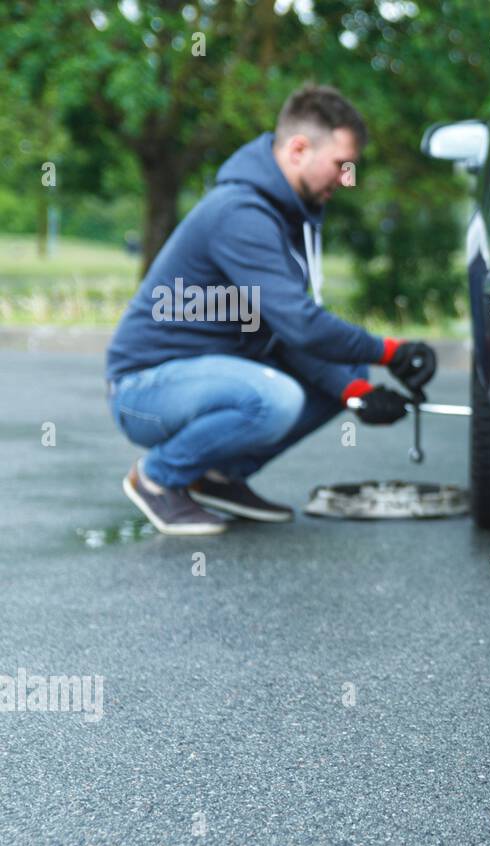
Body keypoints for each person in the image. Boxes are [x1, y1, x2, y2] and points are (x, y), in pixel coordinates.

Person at [105, 84, 435, 535]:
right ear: (299, 149)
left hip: (209, 379)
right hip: (143, 391)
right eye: (342, 165)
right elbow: (301, 324)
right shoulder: (240, 213)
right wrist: (393, 350)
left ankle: (218, 476)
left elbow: (285, 334)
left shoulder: (287, 218)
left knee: (347, 368)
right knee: (274, 399)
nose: (347, 178)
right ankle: (157, 479)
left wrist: (357, 392)